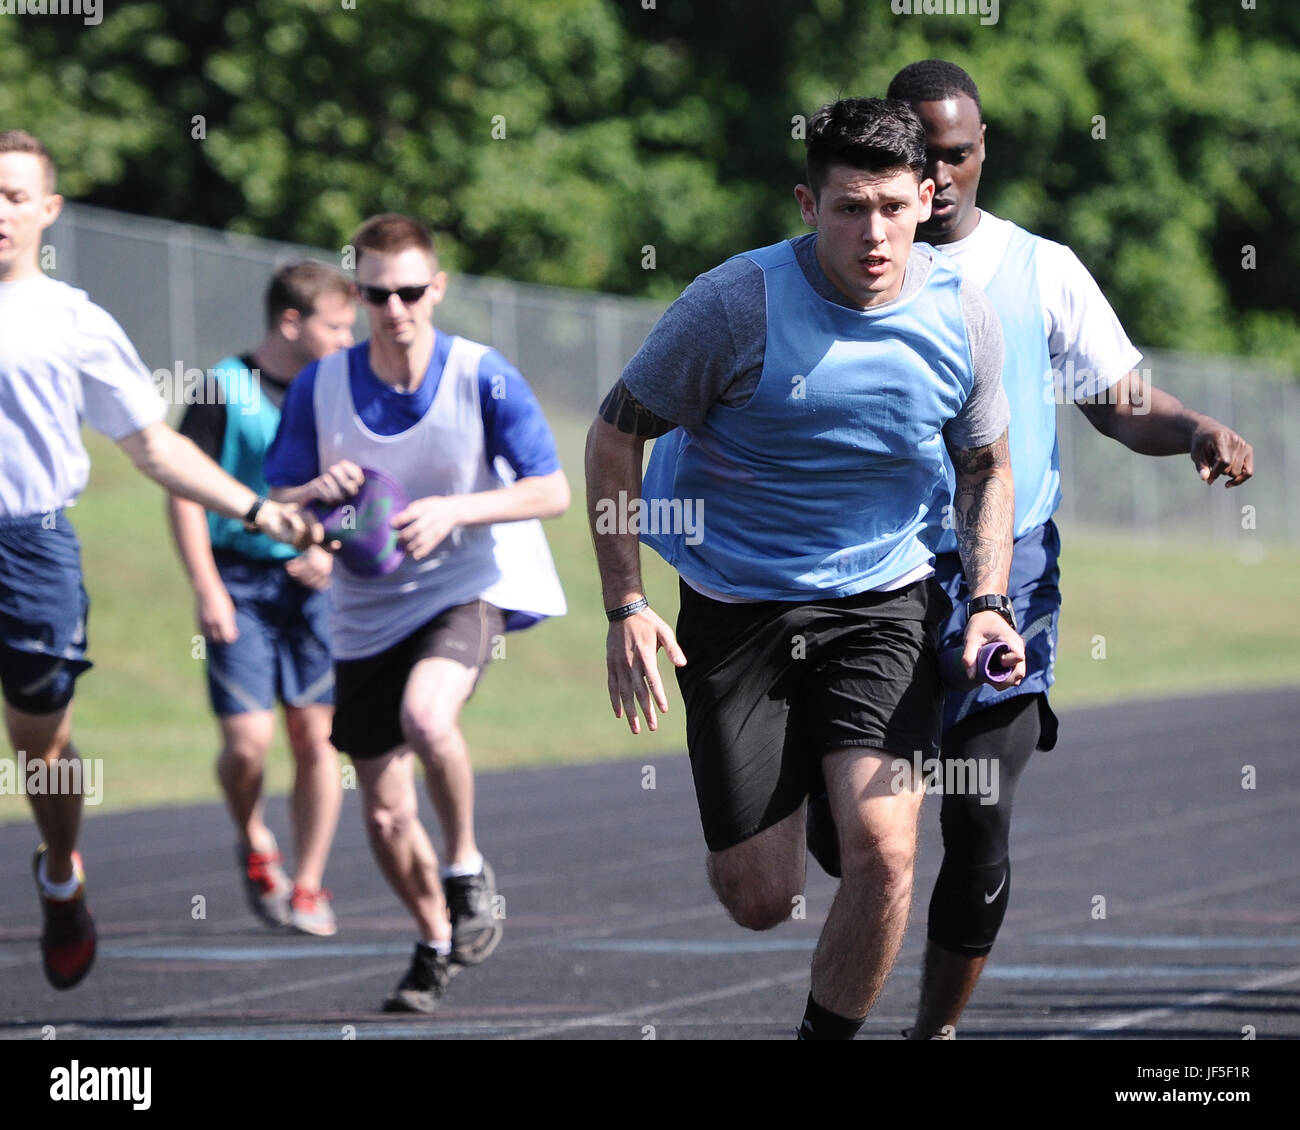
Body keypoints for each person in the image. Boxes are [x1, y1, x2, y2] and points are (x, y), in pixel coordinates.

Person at [805, 60, 1254, 1040]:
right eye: (921, 153)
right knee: (855, 839)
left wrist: (1194, 429)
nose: (941, 173)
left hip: (1007, 575)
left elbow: (1120, 399)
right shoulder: (831, 262)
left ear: (979, 154)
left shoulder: (1037, 268)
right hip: (863, 574)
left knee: (976, 815)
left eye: (957, 153)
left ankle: (932, 1031)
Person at [586, 97, 1027, 1040]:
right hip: (736, 602)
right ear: (805, 204)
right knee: (759, 896)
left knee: (888, 851)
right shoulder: (734, 304)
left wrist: (988, 602)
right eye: (848, 208)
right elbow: (617, 433)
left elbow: (986, 464)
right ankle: (816, 814)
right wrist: (625, 603)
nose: (874, 233)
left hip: (884, 603)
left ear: (928, 195)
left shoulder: (961, 315)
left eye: (893, 208)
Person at [0, 129, 317, 990]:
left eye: (15, 195)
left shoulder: (72, 320)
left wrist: (256, 509)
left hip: (29, 546)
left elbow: (153, 447)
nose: (0, 211)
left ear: (47, 211)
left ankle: (61, 875)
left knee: (40, 739)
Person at [264, 213, 568, 1013]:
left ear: (436, 287)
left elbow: (553, 491)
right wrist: (310, 505)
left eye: (407, 291)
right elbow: (275, 504)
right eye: (374, 293)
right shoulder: (319, 387)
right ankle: (434, 937)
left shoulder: (482, 373)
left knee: (429, 719)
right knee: (388, 810)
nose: (393, 308)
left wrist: (455, 512)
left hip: (461, 587)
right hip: (363, 612)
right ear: (357, 291)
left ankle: (466, 865)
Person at [167, 261, 357, 936]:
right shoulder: (222, 386)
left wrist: (327, 550)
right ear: (291, 322)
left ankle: (306, 885)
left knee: (316, 737)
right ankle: (253, 837)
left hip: (310, 588)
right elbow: (185, 489)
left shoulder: (337, 390)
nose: (347, 338)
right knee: (248, 745)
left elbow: (360, 493)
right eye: (336, 327)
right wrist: (206, 586)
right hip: (238, 579)